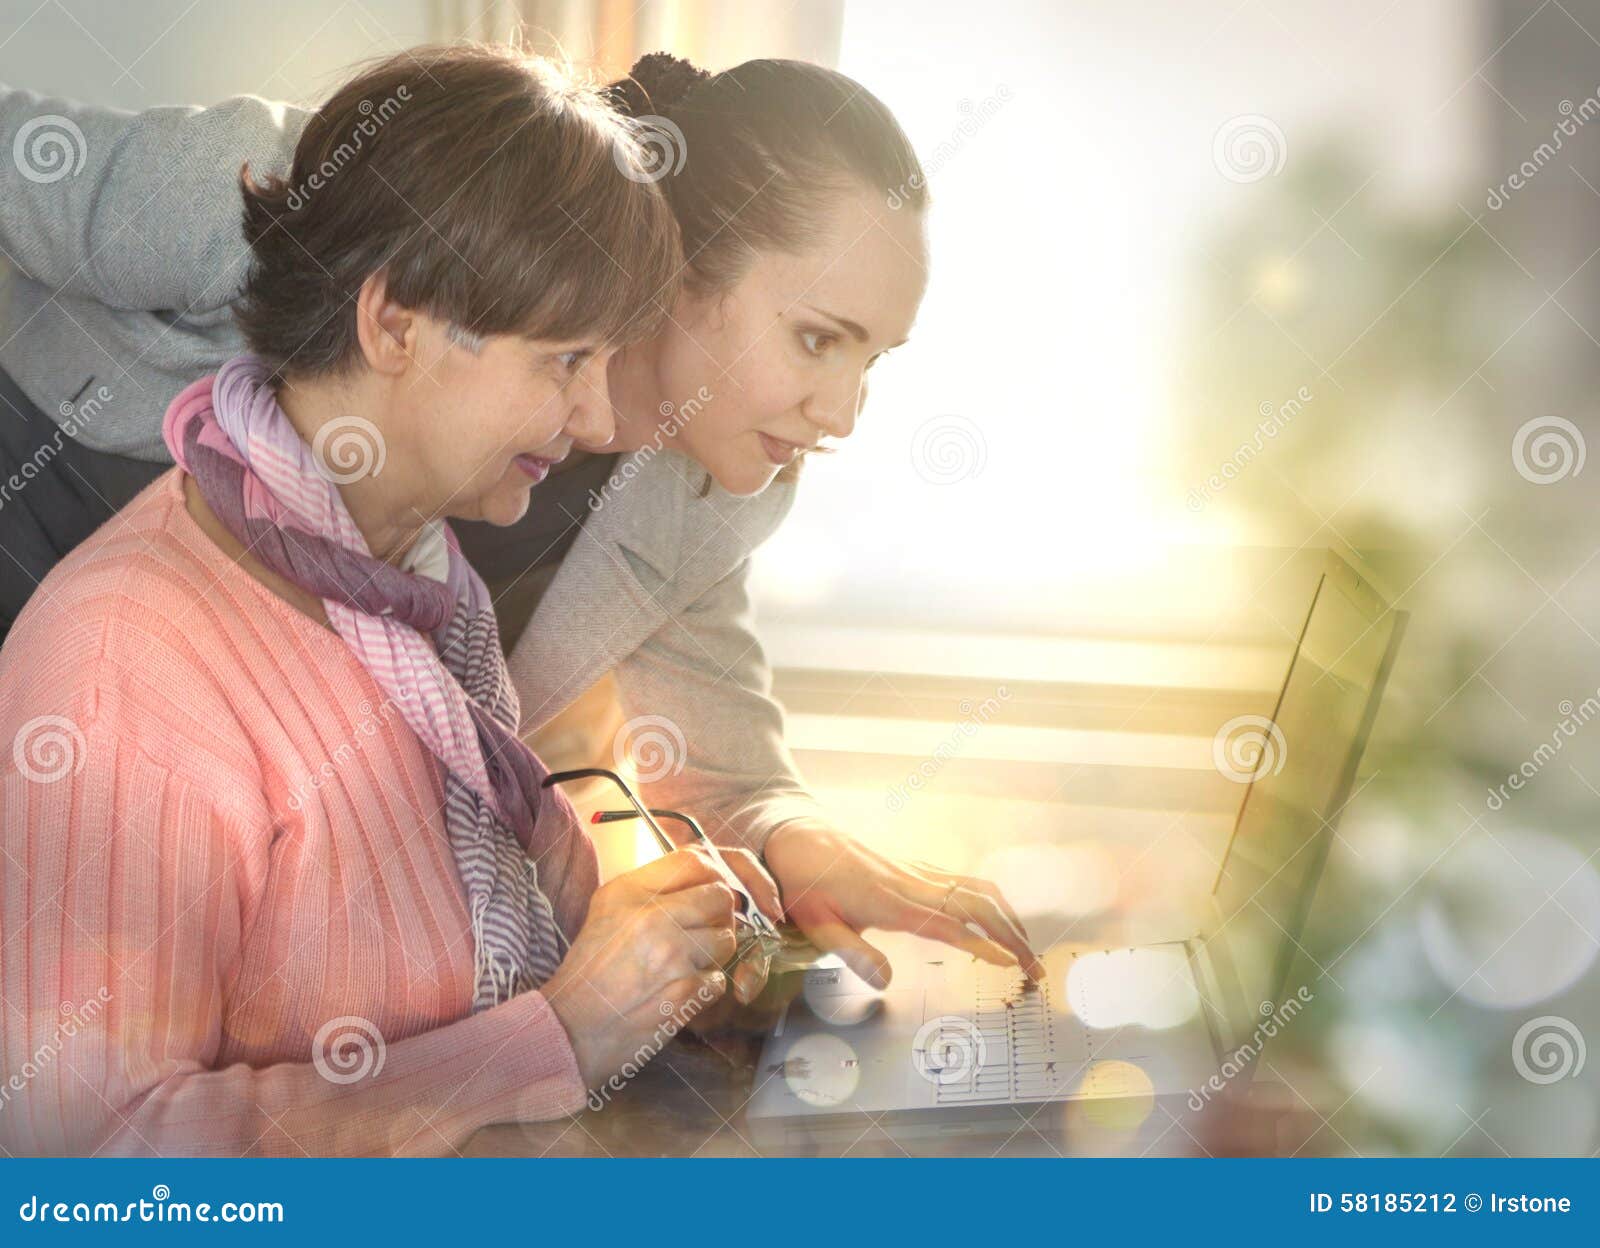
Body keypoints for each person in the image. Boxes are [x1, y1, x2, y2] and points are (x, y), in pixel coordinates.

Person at [0, 46, 1041, 1007]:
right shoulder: (348, 193)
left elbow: (722, 763)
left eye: (874, 361)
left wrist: (799, 841)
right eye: (818, 339)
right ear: (682, 273)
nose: (844, 414)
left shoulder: (717, 480)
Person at [0, 43, 779, 1158]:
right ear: (395, 322)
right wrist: (557, 1033)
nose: (603, 423)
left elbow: (446, 947)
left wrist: (647, 927)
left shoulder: (417, 581)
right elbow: (88, 1173)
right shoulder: (120, 662)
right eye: (566, 360)